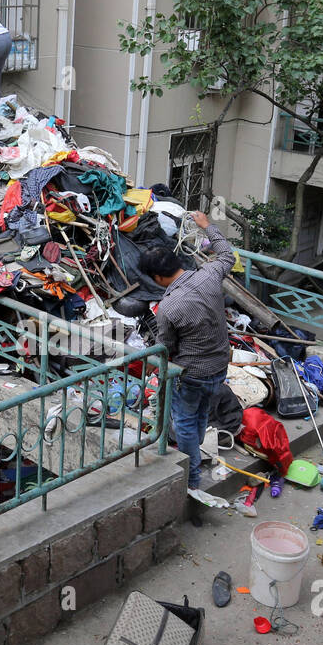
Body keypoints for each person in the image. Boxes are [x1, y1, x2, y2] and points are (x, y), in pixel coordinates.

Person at [139, 211, 234, 503]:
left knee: (185, 425)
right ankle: (196, 462)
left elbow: (166, 348)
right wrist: (208, 226)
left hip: (191, 375)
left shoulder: (168, 307)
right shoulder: (209, 274)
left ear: (157, 277)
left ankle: (191, 479)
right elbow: (227, 254)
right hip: (219, 366)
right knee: (202, 415)